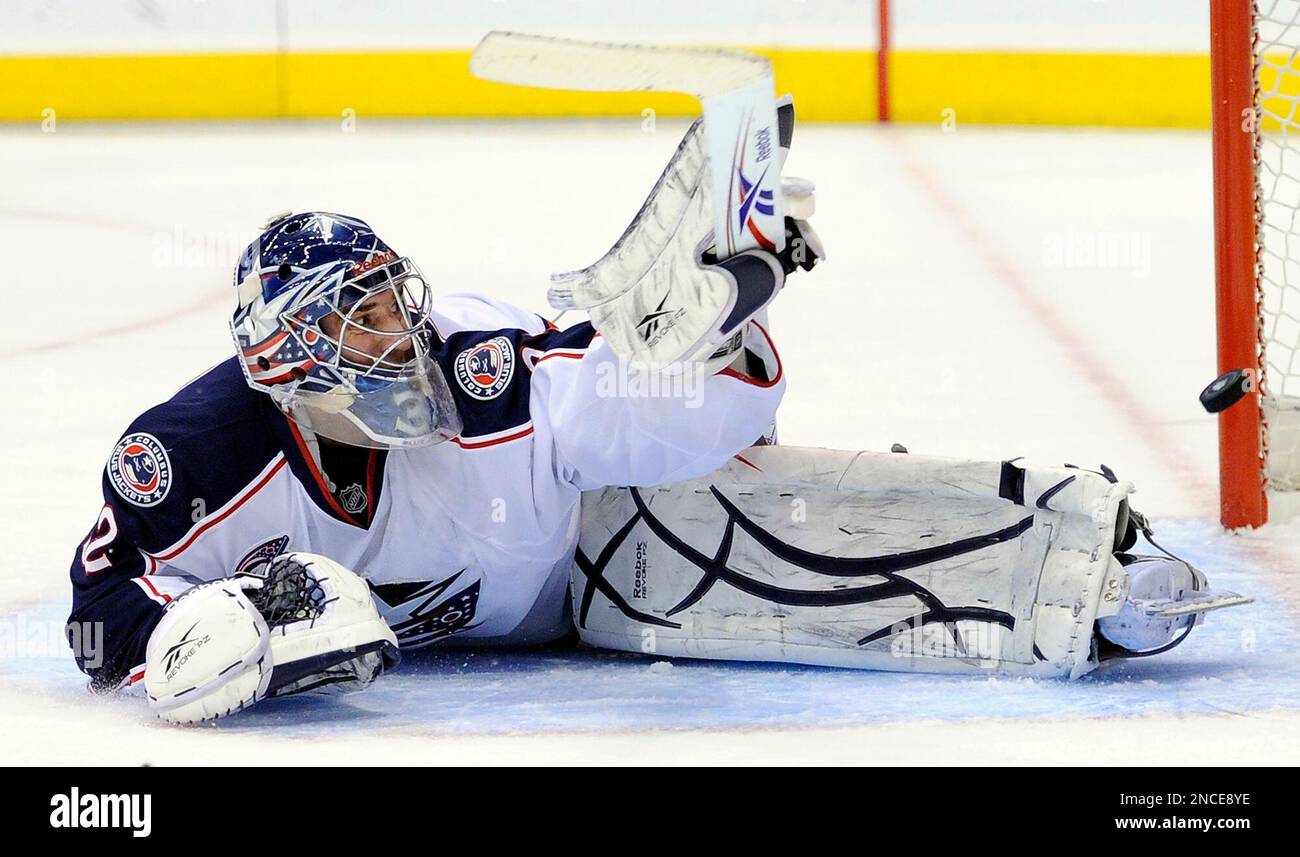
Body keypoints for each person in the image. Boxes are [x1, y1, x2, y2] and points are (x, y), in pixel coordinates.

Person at [66, 210, 797, 719]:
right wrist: (226, 629)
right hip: (548, 626)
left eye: (394, 302)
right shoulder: (194, 458)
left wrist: (710, 338)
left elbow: (609, 401)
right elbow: (101, 610)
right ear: (287, 350)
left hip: (602, 553)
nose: (402, 334)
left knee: (680, 430)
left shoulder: (477, 368)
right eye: (363, 314)